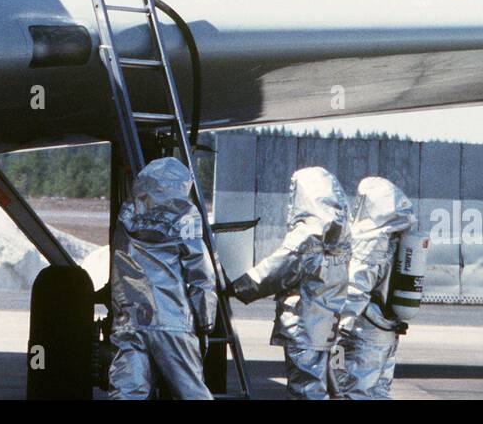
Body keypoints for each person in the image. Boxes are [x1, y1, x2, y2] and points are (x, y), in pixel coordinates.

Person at [230, 166, 350, 398]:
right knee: (326, 385)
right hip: (330, 326)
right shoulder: (343, 236)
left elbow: (276, 269)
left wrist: (237, 287)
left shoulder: (307, 235)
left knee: (305, 388)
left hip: (304, 326)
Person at [107, 157, 216, 400]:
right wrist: (206, 320)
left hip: (131, 319)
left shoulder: (127, 214)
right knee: (191, 392)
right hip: (172, 319)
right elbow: (199, 272)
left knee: (127, 391)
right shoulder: (186, 214)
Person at [331, 177, 418, 400]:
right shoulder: (400, 235)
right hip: (388, 329)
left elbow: (357, 286)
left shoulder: (371, 239)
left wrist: (339, 327)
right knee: (379, 392)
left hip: (365, 331)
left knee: (353, 391)